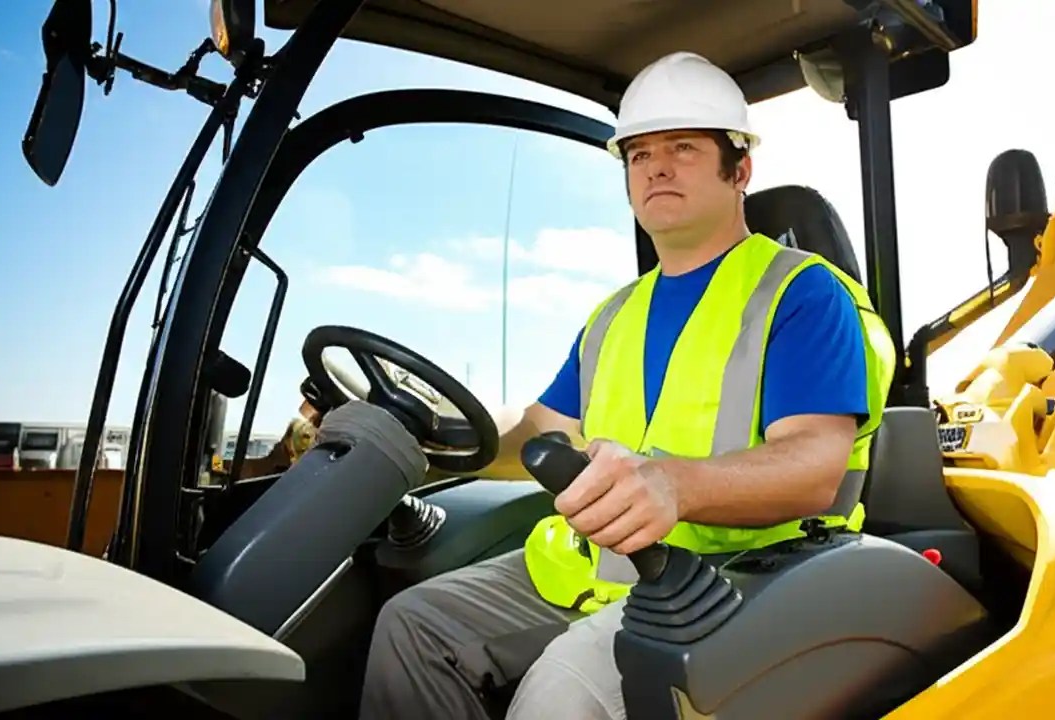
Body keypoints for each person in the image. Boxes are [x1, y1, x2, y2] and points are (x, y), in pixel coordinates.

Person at [354, 51, 896, 720]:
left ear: (741, 170)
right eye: (638, 154)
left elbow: (814, 464)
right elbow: (537, 433)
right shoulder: (612, 316)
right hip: (599, 569)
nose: (656, 166)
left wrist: (672, 484)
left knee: (554, 698)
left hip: (731, 581)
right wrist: (424, 432)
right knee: (412, 626)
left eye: (684, 148)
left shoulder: (802, 292)